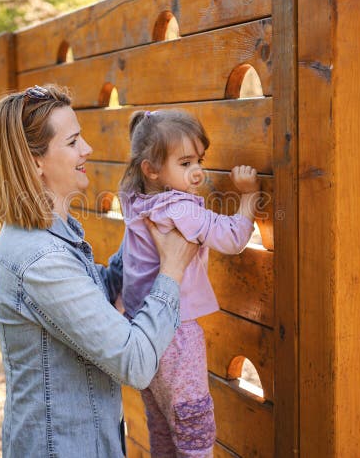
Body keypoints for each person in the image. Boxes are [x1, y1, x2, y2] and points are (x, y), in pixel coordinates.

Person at [0, 84, 198, 457]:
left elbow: (91, 298)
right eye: (72, 142)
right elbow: (135, 362)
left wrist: (144, 230)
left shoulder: (45, 234)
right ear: (35, 161)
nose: (87, 149)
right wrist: (172, 270)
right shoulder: (43, 259)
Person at [118, 109, 260, 457]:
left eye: (199, 159)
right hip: (177, 335)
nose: (197, 171)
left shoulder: (134, 199)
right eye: (184, 163)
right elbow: (231, 238)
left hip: (143, 329)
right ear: (151, 170)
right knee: (193, 425)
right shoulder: (179, 209)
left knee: (164, 425)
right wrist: (248, 196)